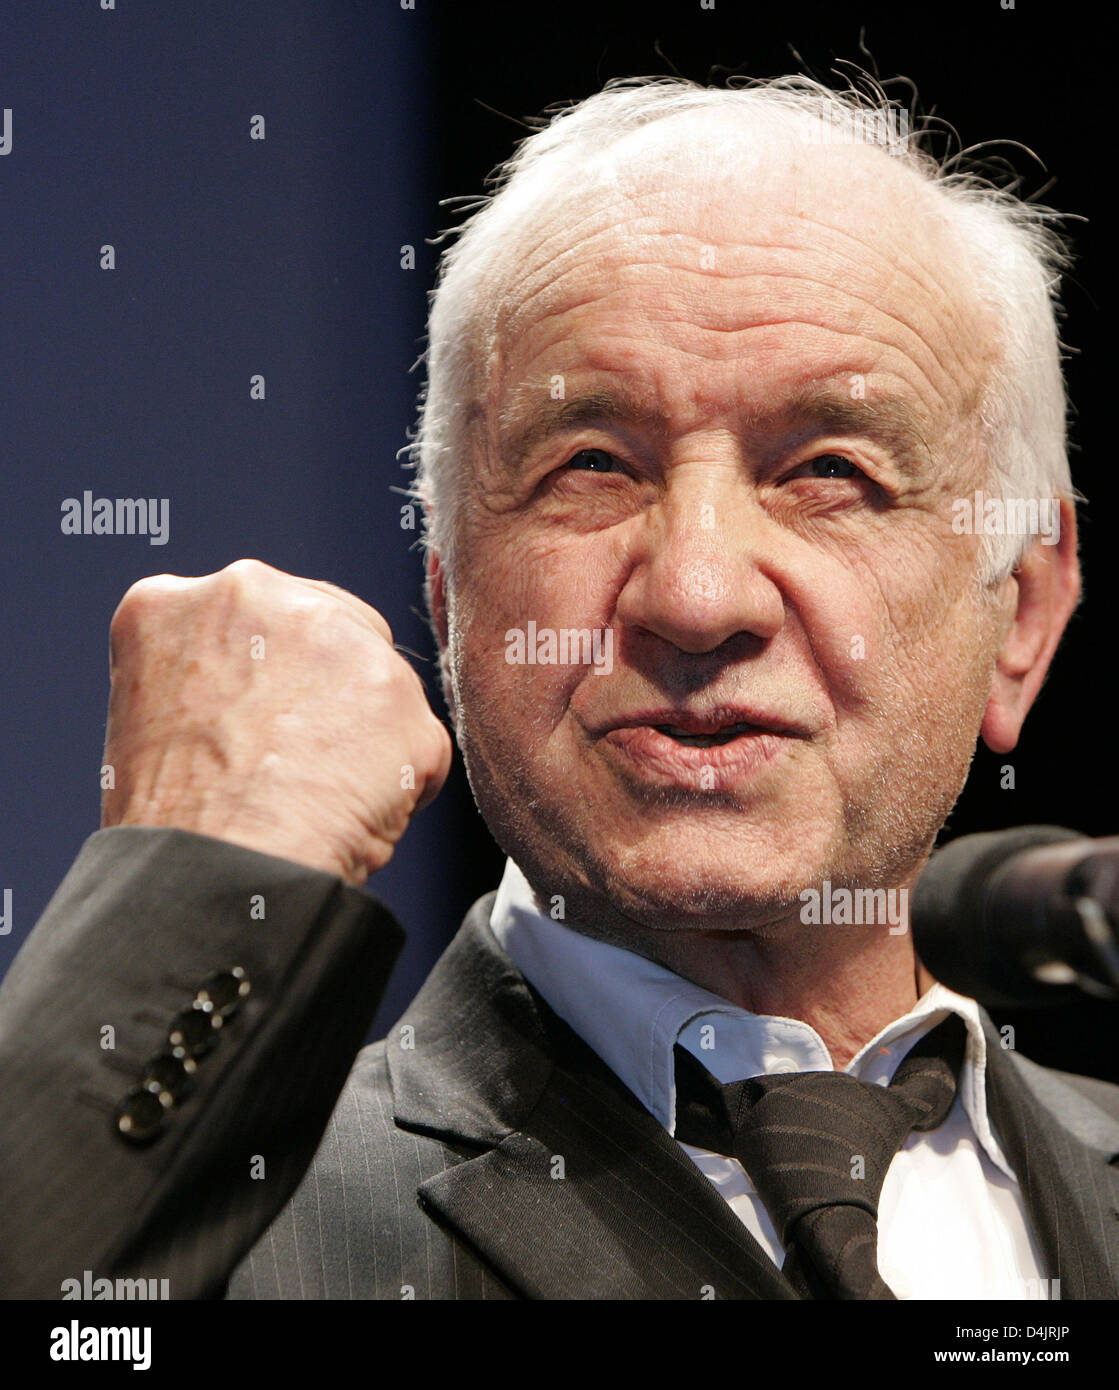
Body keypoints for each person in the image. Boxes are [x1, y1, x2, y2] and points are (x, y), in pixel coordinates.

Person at [1, 74, 1116, 1302]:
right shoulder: (221, 1232)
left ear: (1019, 610)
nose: (696, 594)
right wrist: (199, 885)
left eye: (830, 472)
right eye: (589, 464)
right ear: (447, 598)